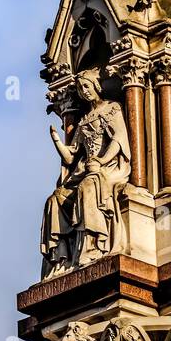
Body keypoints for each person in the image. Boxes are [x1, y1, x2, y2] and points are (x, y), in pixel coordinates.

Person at [40, 70, 130, 277]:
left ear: (96, 87)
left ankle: (92, 245)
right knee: (55, 200)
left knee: (88, 188)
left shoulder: (111, 109)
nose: (84, 91)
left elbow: (119, 139)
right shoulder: (83, 121)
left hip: (106, 168)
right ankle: (61, 258)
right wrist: (56, 140)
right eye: (80, 88)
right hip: (84, 169)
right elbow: (71, 157)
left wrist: (101, 161)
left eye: (87, 86)